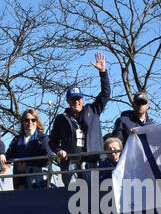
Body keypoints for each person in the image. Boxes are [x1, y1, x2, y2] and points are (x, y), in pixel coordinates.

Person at [49, 53, 112, 181]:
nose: (76, 102)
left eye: (78, 99)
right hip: (71, 162)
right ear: (68, 101)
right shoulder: (61, 118)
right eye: (73, 99)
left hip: (92, 161)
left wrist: (103, 72)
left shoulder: (93, 110)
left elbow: (106, 93)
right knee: (72, 196)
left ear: (82, 99)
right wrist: (59, 150)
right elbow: (52, 141)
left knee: (94, 196)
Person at [7, 110, 51, 190]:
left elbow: (48, 156)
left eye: (33, 120)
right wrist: (2, 156)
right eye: (27, 120)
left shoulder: (43, 138)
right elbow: (8, 156)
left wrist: (27, 165)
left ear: (37, 122)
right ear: (23, 122)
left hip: (37, 180)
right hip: (20, 180)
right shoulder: (16, 139)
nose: (30, 122)